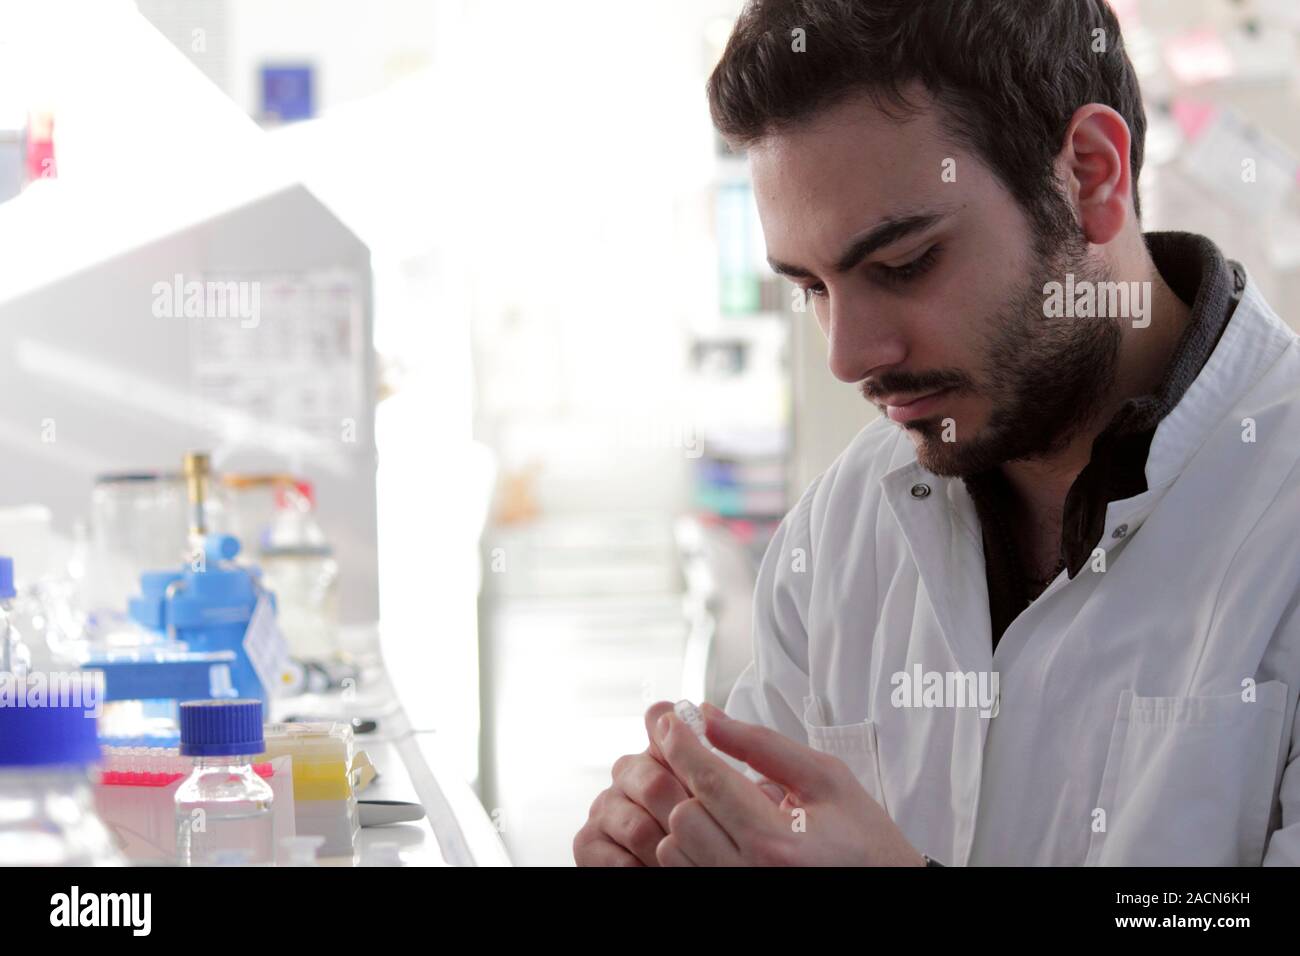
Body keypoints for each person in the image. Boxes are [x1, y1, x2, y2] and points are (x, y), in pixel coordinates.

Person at [574, 0, 1300, 866]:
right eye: (811, 287)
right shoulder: (841, 527)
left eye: (903, 265)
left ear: (1092, 175)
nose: (848, 356)